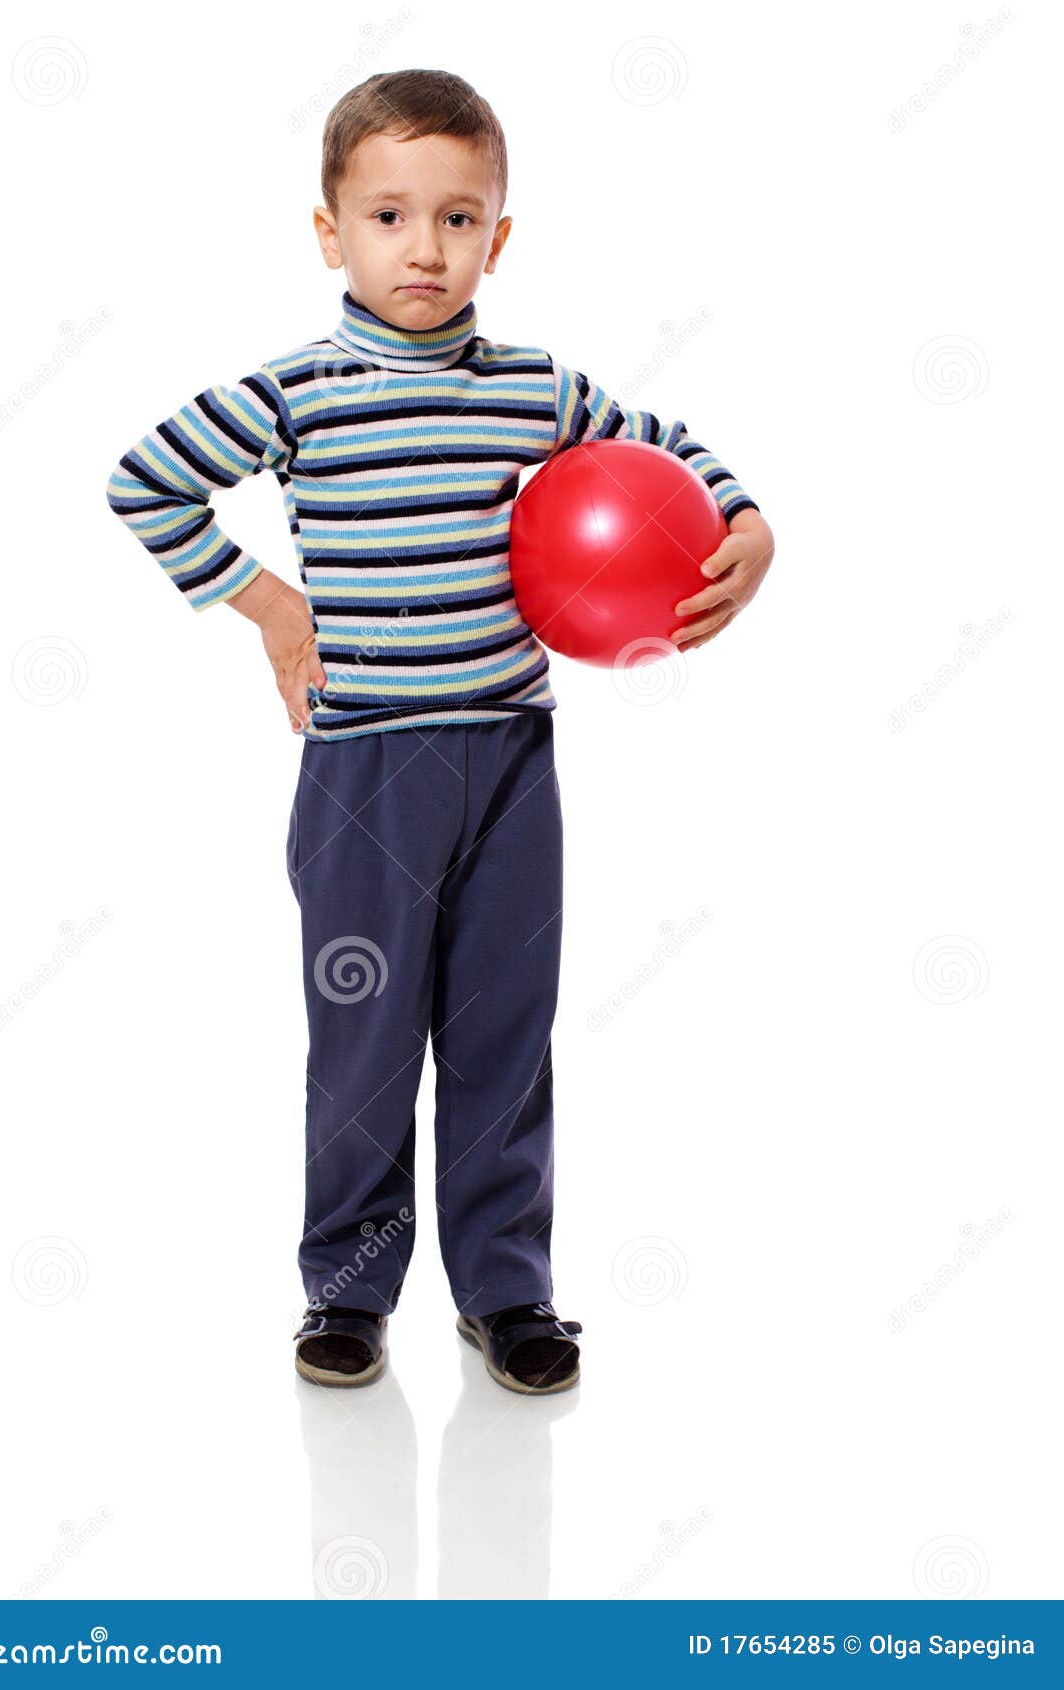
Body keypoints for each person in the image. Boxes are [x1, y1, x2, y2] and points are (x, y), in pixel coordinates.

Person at [105, 68, 775, 1396]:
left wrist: (747, 530)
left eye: (458, 218)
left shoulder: (531, 386)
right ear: (329, 232)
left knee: (499, 1030)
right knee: (362, 1039)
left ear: (498, 236)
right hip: (363, 772)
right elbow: (144, 480)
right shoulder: (295, 393)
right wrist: (269, 610)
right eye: (389, 216)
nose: (423, 248)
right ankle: (345, 1292)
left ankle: (506, 1288)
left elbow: (677, 452)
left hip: (510, 762)